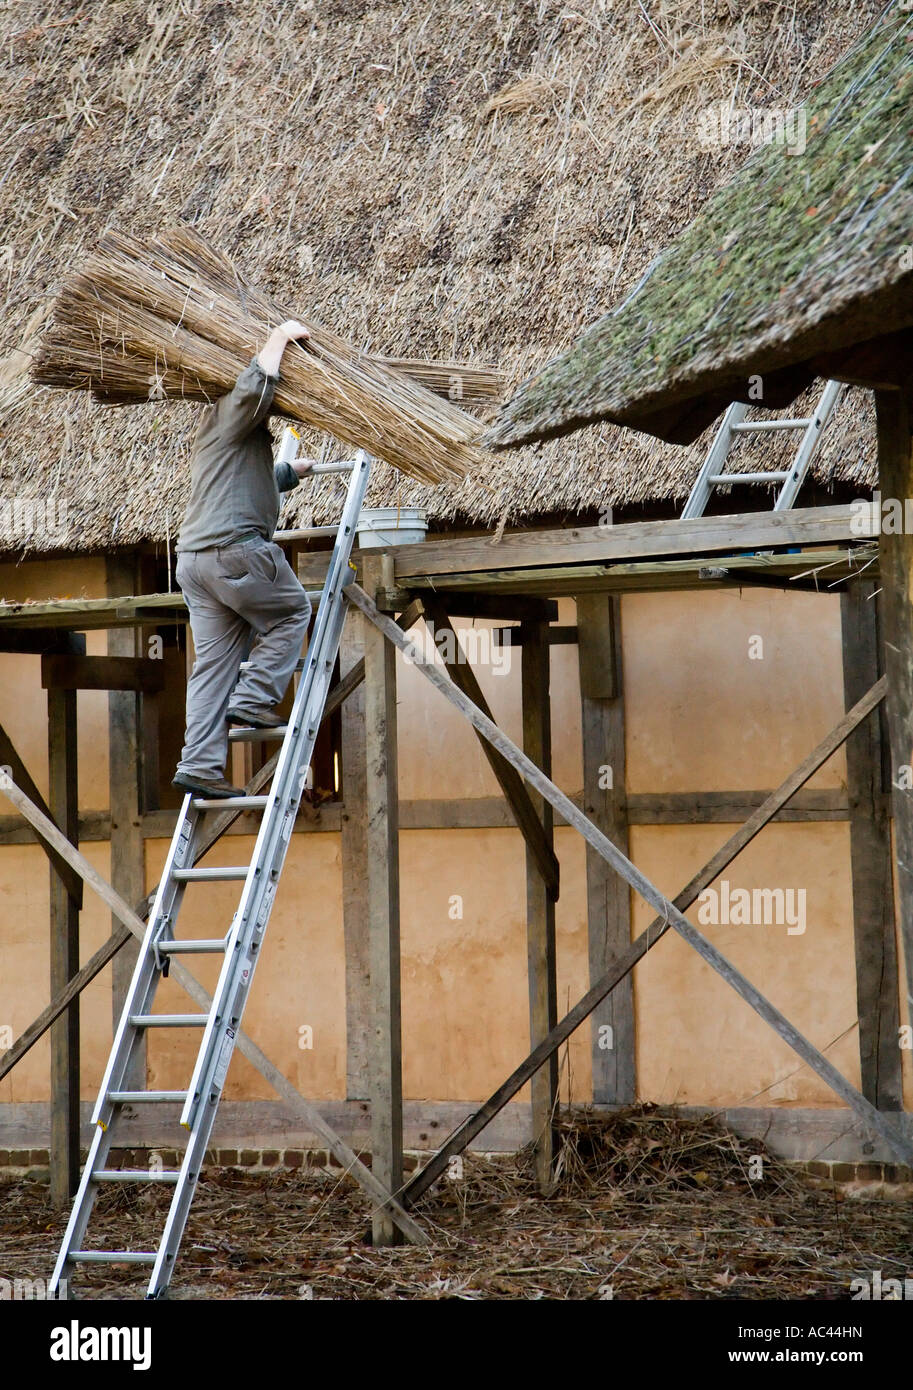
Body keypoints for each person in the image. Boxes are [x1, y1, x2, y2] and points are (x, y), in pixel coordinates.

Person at [172, 321, 316, 799]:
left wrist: (287, 473)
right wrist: (280, 335)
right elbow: (258, 384)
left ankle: (198, 765)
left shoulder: (219, 437)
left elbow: (238, 487)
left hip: (196, 562)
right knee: (292, 612)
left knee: (213, 665)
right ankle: (253, 699)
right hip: (234, 552)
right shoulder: (234, 409)